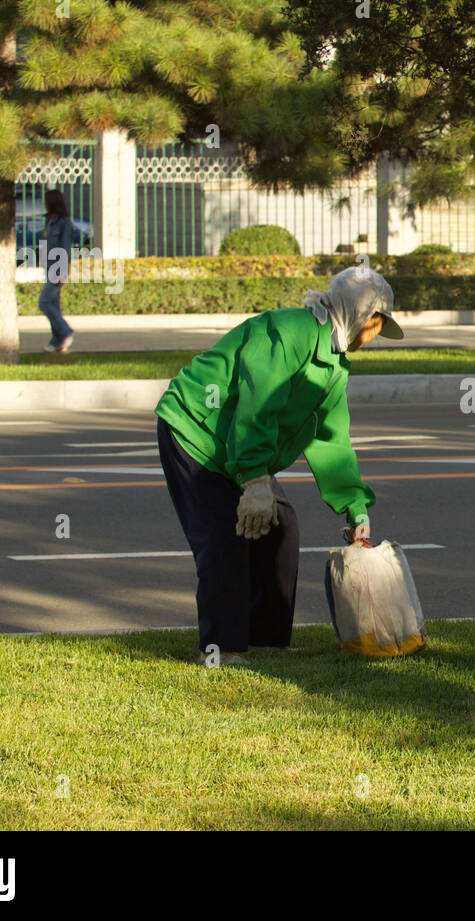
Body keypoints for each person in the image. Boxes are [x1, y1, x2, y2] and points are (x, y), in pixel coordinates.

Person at [154, 265, 404, 664]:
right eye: (373, 323)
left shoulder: (335, 365)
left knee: (280, 526)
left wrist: (354, 507)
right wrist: (254, 481)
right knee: (223, 537)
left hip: (236, 447)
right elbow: (257, 405)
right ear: (354, 313)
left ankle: (266, 639)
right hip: (196, 430)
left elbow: (331, 440)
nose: (372, 335)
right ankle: (221, 648)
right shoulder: (289, 333)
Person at [40, 189, 76, 353]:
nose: (44, 204)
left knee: (44, 302)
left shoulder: (63, 223)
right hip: (48, 267)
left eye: (47, 201)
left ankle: (66, 331)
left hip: (57, 268)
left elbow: (65, 248)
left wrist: (63, 271)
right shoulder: (49, 221)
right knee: (54, 304)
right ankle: (57, 341)